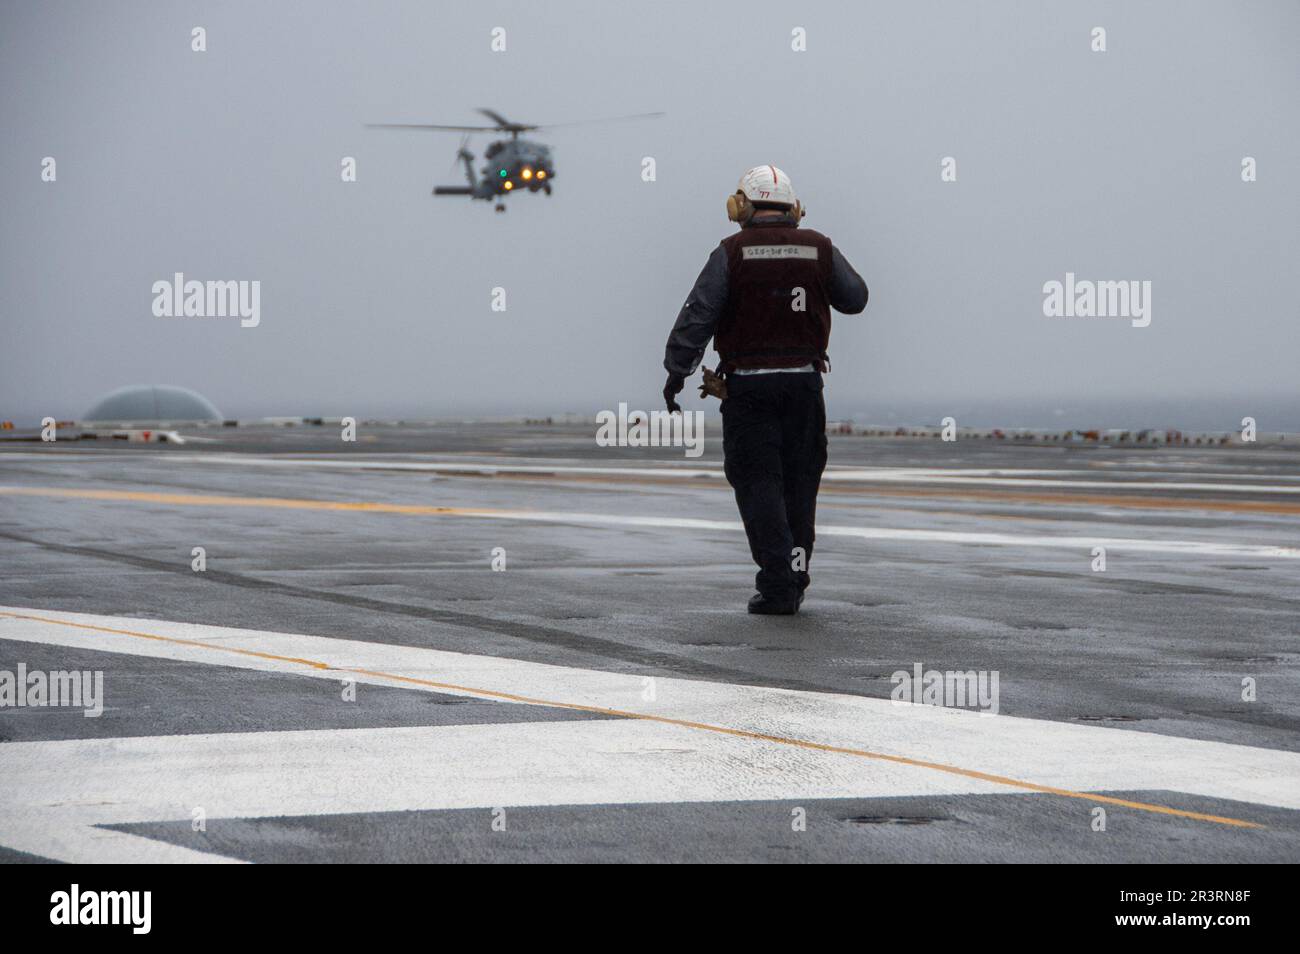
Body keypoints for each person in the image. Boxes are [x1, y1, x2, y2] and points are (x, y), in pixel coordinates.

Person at [662, 165, 868, 614]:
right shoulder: (819, 248)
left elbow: (698, 316)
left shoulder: (731, 253)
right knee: (800, 484)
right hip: (804, 387)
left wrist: (677, 372)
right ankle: (794, 577)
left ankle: (777, 585)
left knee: (759, 485)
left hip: (749, 393)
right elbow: (856, 298)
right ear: (794, 208)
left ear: (741, 207)